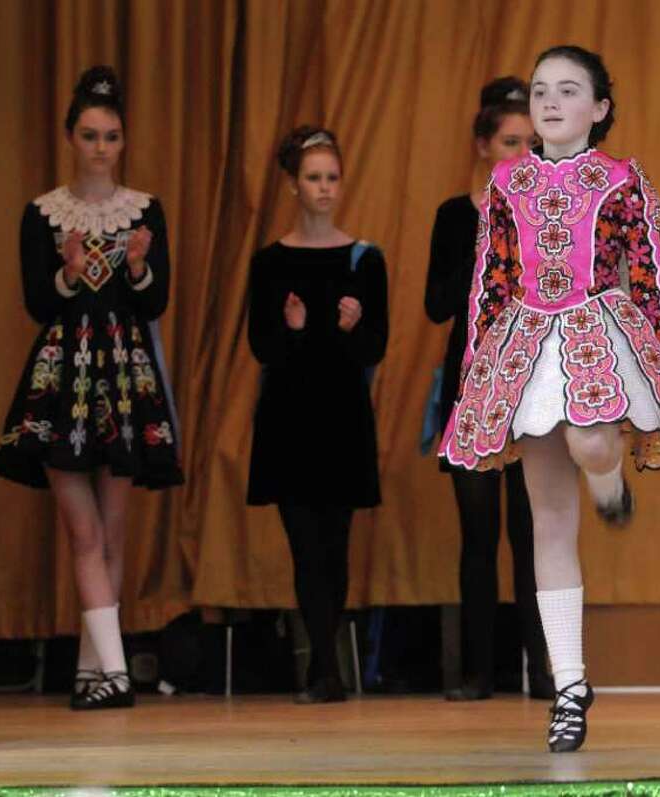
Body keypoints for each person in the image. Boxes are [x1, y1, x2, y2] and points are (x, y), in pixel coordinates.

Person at [439, 45, 660, 751]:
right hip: (528, 341)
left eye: (569, 91)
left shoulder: (622, 180)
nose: (552, 102)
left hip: (596, 328)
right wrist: (480, 370)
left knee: (592, 440)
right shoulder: (505, 182)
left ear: (598, 108)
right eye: (541, 91)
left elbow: (655, 267)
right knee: (548, 522)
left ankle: (609, 475)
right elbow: (489, 278)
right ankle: (569, 685)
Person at [0, 65, 183, 710]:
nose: (101, 146)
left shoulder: (145, 210)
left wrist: (134, 267)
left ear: (123, 141)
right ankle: (118, 675)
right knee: (84, 535)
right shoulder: (43, 213)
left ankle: (94, 671)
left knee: (113, 530)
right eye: (90, 134)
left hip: (125, 375)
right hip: (63, 376)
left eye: (111, 136)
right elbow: (36, 301)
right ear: (70, 137)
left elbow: (155, 302)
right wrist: (69, 274)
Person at [247, 125, 388, 704]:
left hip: (343, 417)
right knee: (304, 544)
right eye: (313, 178)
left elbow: (374, 348)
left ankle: (328, 668)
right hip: (288, 419)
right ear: (292, 186)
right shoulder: (270, 262)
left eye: (332, 178)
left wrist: (348, 329)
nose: (325, 188)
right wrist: (298, 331)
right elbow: (262, 346)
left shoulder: (364, 259)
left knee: (337, 544)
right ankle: (324, 668)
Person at [425, 76, 553, 701]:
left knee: (536, 534)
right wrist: (487, 240)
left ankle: (546, 668)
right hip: (474, 386)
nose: (523, 154)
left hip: (534, 385)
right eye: (511, 142)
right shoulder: (455, 216)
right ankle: (476, 670)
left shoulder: (550, 214)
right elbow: (436, 304)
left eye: (532, 142)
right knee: (478, 537)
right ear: (483, 146)